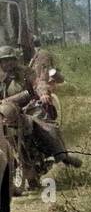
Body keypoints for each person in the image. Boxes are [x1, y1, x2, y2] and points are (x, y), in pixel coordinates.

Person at [0, 45, 80, 188]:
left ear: (15, 60)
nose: (7, 64)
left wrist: (43, 93)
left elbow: (39, 83)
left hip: (29, 108)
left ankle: (62, 156)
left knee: (47, 128)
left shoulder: (26, 72)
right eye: (4, 61)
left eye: (10, 60)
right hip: (5, 114)